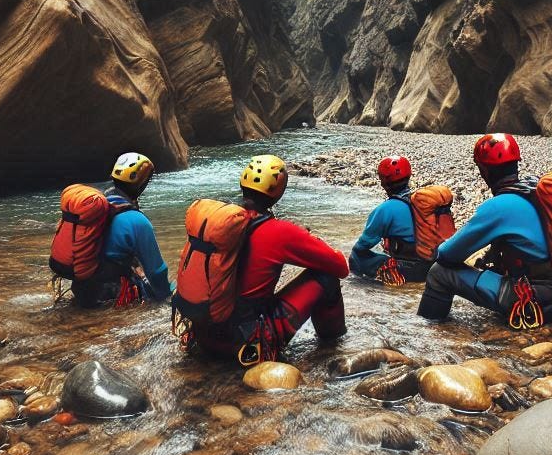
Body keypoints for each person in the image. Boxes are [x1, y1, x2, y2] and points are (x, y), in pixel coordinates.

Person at [190, 154, 348, 364]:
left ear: (241, 185)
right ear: (277, 194)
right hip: (244, 346)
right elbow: (340, 267)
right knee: (326, 279)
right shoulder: (281, 232)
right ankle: (333, 348)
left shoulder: (215, 224)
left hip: (203, 337)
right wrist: (307, 240)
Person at [417, 133, 552, 327]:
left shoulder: (498, 206)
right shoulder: (536, 191)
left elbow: (447, 255)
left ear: (485, 171)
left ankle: (427, 327)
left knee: (439, 273)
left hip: (535, 300)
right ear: (516, 163)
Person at [71, 152, 171, 308]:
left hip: (82, 288)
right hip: (113, 295)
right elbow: (157, 271)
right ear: (142, 183)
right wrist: (167, 298)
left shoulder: (96, 207)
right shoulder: (137, 221)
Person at [349, 156, 433, 284]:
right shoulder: (423, 202)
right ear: (409, 177)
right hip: (430, 267)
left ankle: (366, 287)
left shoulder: (385, 210)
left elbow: (362, 246)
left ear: (383, 183)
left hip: (407, 271)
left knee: (356, 256)